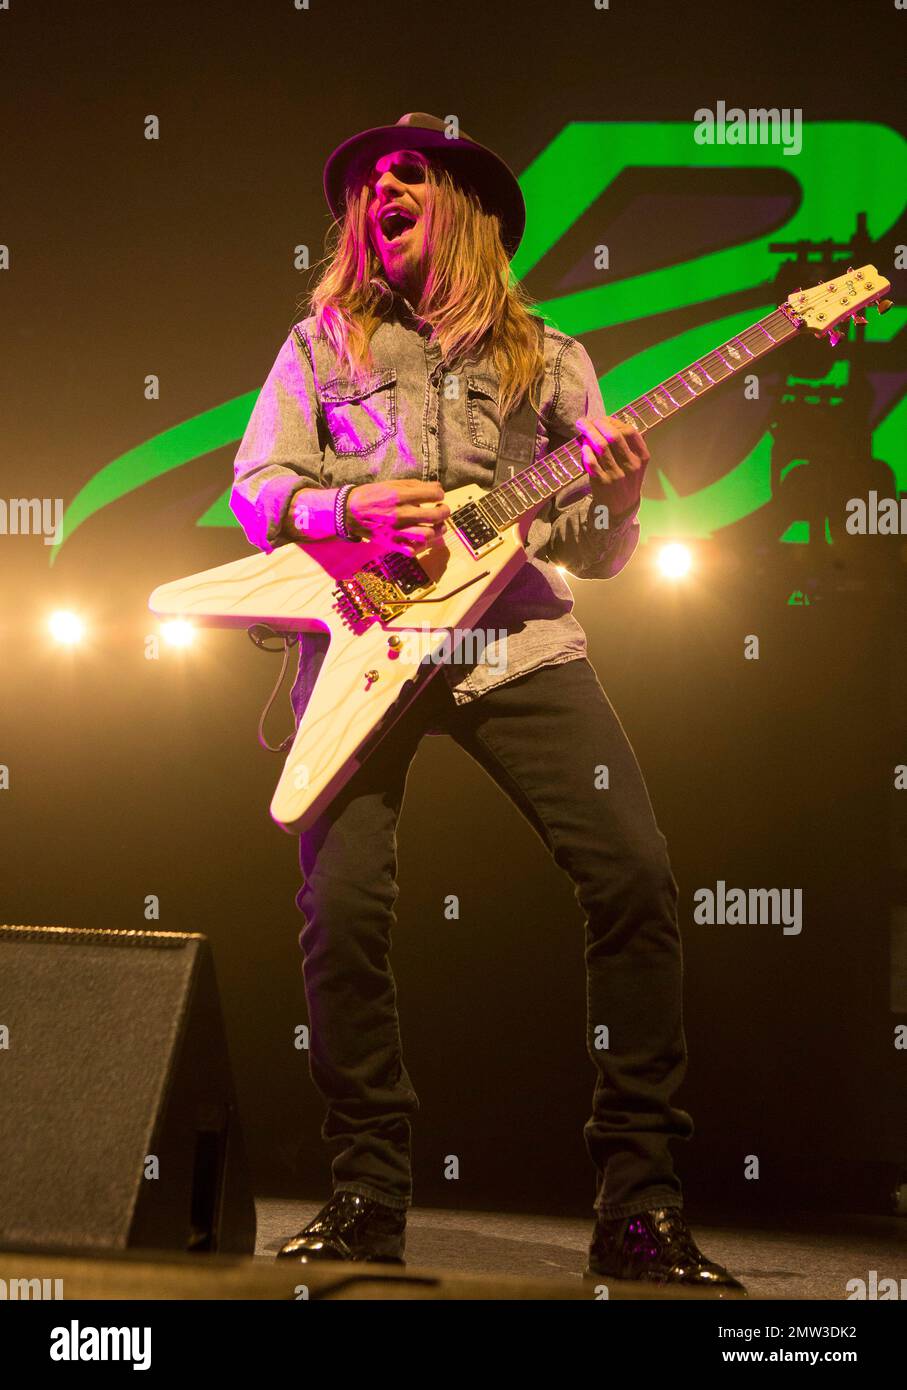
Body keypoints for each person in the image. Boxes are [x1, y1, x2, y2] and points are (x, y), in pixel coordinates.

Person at [230, 112, 745, 1292]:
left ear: (458, 204)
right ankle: (364, 1197)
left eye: (403, 173)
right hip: (365, 643)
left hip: (518, 637)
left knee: (634, 874)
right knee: (344, 902)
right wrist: (344, 511)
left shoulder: (551, 358)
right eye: (363, 183)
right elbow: (258, 486)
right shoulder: (321, 344)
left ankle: (639, 1206)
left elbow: (601, 550)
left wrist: (619, 498)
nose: (376, 189)